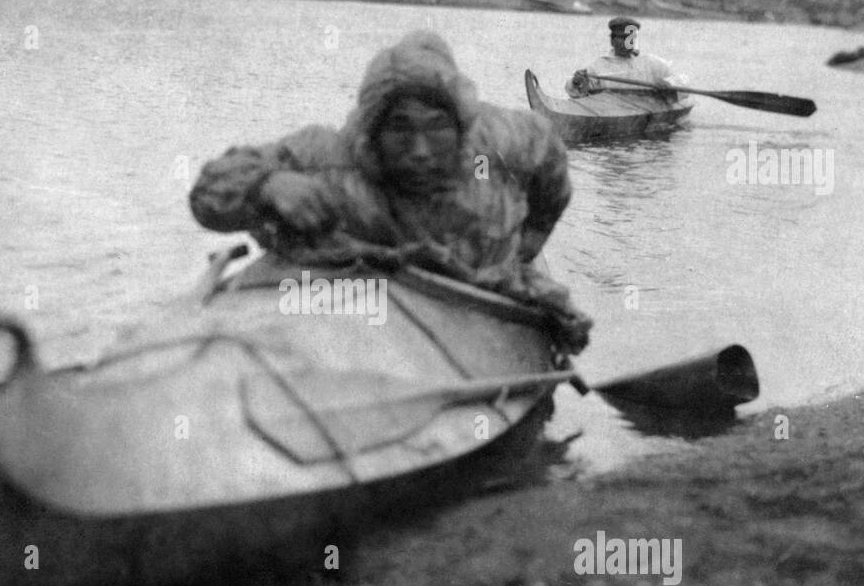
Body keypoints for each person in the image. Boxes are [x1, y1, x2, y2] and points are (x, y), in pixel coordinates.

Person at [189, 30, 591, 353]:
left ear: (461, 126)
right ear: (372, 131)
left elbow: (552, 168)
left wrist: (527, 249)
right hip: (373, 298)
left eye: (436, 127)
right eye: (399, 129)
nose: (419, 151)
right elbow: (209, 193)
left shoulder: (502, 141)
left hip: (478, 291)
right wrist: (266, 184)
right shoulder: (329, 155)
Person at [566, 17, 686, 97]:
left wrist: (669, 84)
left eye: (631, 39)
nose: (627, 43)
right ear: (612, 41)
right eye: (622, 38)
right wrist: (576, 82)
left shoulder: (650, 63)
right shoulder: (598, 67)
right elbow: (574, 92)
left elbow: (682, 79)